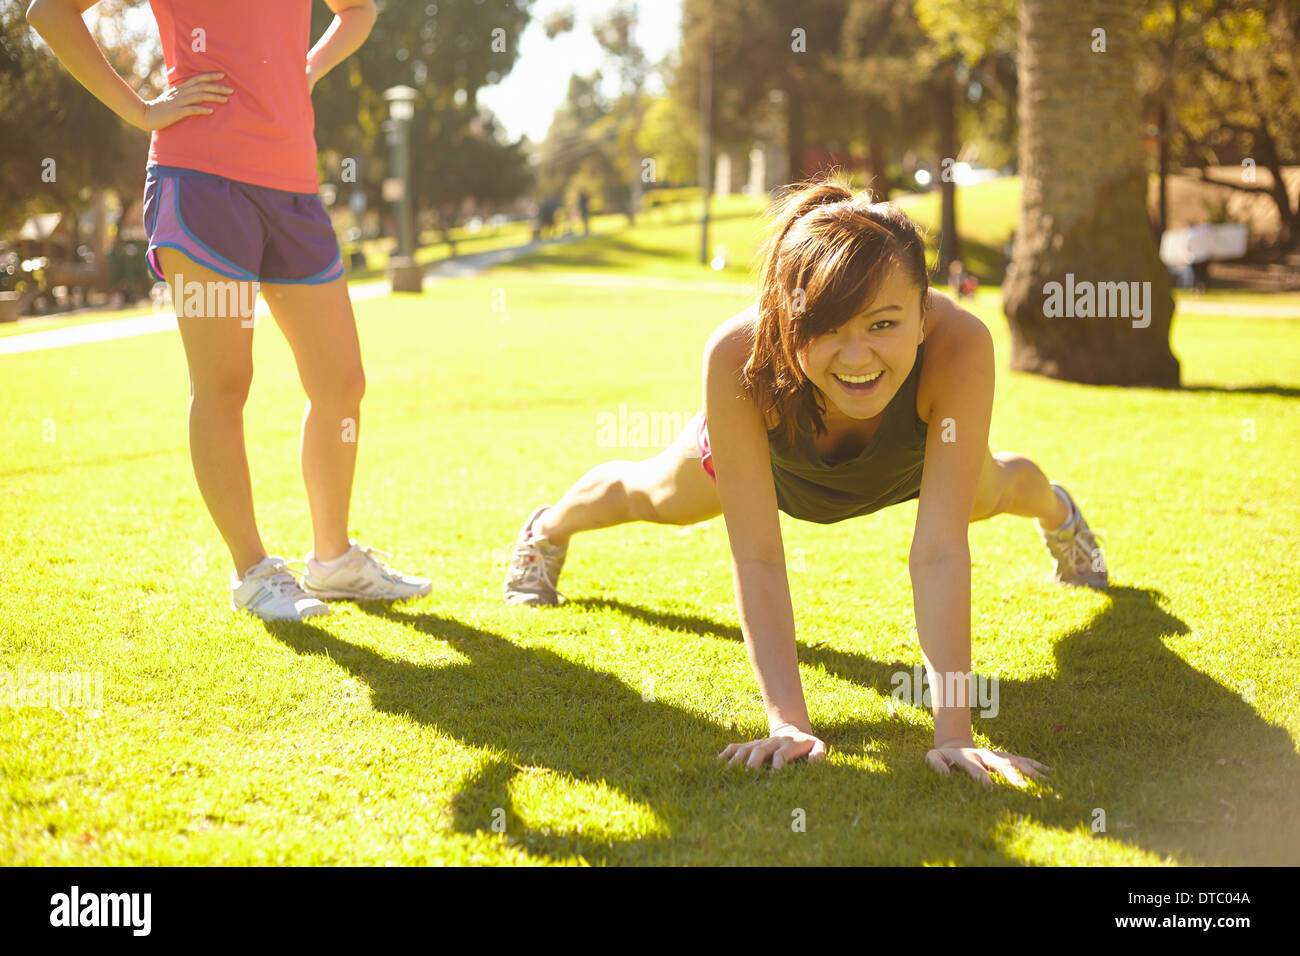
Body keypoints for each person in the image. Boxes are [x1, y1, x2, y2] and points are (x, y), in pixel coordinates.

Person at [504, 177, 1107, 786]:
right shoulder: (738, 353)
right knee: (653, 496)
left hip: (908, 459)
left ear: (923, 316)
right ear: (787, 320)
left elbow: (940, 550)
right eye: (826, 327)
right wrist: (789, 723)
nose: (855, 356)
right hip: (775, 463)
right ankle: (546, 529)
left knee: (997, 487)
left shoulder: (960, 343)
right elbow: (759, 556)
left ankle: (1060, 517)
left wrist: (955, 734)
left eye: (882, 325)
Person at [27, 0, 430, 621]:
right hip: (202, 179)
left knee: (340, 381)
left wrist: (310, 66)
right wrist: (141, 109)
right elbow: (49, 12)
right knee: (223, 381)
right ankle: (253, 571)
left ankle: (333, 560)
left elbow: (358, 11)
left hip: (293, 186)